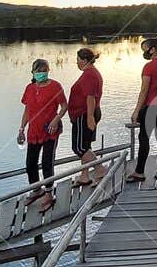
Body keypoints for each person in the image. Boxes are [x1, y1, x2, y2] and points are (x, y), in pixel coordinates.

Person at [17, 57, 66, 212]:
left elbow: (64, 106)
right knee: (30, 163)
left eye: (45, 71)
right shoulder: (30, 88)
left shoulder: (55, 86)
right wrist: (21, 128)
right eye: (39, 71)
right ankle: (36, 189)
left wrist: (56, 120)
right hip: (34, 131)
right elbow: (27, 110)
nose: (42, 73)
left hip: (50, 130)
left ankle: (49, 193)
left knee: (47, 162)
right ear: (33, 72)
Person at [128, 36, 157, 183]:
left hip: (152, 105)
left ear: (152, 49)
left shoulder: (149, 67)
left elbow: (144, 90)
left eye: (145, 49)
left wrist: (136, 111)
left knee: (144, 138)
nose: (144, 53)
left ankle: (139, 172)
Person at [66, 48, 104, 186]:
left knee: (79, 148)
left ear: (85, 60)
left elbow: (90, 97)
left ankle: (100, 169)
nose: (76, 62)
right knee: (86, 146)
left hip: (84, 114)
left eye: (78, 60)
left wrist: (89, 117)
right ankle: (84, 176)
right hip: (86, 113)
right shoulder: (91, 73)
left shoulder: (90, 75)